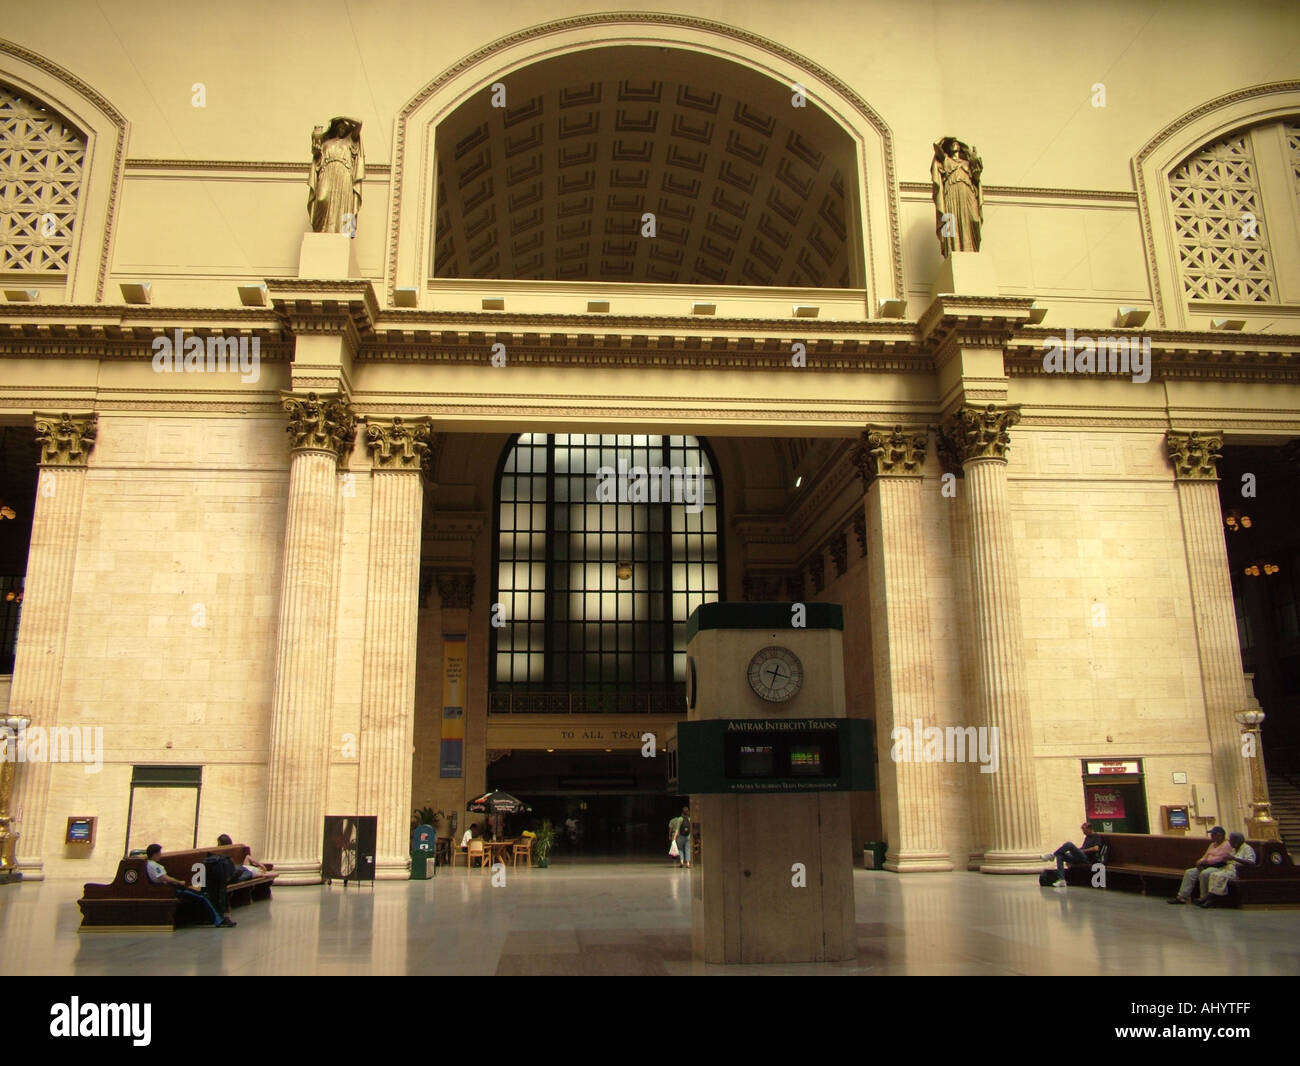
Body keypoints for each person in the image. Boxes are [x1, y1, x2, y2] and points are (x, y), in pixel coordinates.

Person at [144, 844, 234, 928]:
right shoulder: (154, 866)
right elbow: (165, 878)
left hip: (166, 889)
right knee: (202, 896)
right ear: (155, 854)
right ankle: (218, 920)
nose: (160, 855)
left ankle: (207, 918)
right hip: (170, 890)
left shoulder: (149, 864)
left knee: (198, 896)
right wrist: (179, 882)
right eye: (159, 853)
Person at [1168, 826, 1232, 904]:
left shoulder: (1227, 845)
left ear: (1220, 835)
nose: (1211, 836)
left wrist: (1205, 862)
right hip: (1206, 865)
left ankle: (1203, 898)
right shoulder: (1212, 845)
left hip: (1219, 867)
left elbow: (1220, 858)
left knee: (1204, 874)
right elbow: (1206, 855)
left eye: (1213, 835)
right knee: (1190, 872)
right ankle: (1182, 897)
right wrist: (1200, 861)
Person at [1200, 832, 1257, 907]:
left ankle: (1209, 898)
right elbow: (1230, 859)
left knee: (1219, 876)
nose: (1230, 842)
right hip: (1228, 868)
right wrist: (1226, 860)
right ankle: (1211, 899)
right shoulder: (1234, 849)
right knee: (1213, 875)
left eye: (1231, 840)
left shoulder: (1247, 848)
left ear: (1236, 841)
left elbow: (1251, 862)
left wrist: (1234, 858)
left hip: (1239, 872)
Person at [1042, 822, 1104, 888]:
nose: (1083, 833)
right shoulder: (1087, 837)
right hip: (1081, 856)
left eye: (1085, 831)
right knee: (1060, 855)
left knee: (1069, 844)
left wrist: (1082, 851)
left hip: (1088, 858)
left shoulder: (1096, 836)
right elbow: (1083, 847)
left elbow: (1096, 848)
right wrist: (1076, 851)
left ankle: (1052, 856)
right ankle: (1062, 880)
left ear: (1090, 829)